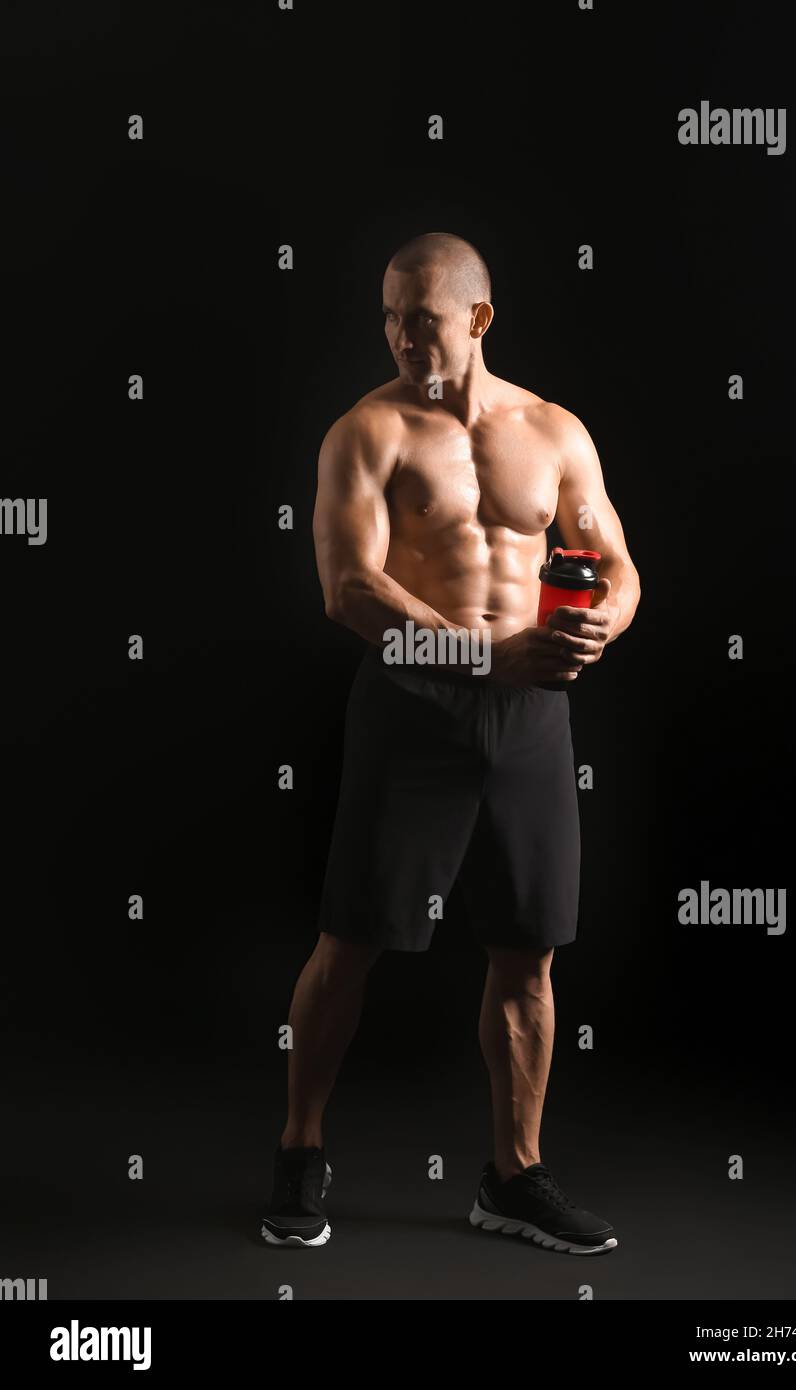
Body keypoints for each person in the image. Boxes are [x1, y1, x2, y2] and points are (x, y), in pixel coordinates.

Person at [261, 232, 640, 1255]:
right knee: (351, 941)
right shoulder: (366, 433)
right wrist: (487, 655)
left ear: (476, 318)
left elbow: (613, 558)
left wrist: (607, 621)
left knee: (529, 955)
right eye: (387, 316)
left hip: (531, 718)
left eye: (418, 318)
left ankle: (513, 1174)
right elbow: (349, 589)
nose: (399, 336)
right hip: (414, 706)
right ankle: (302, 1148)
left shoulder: (554, 430)